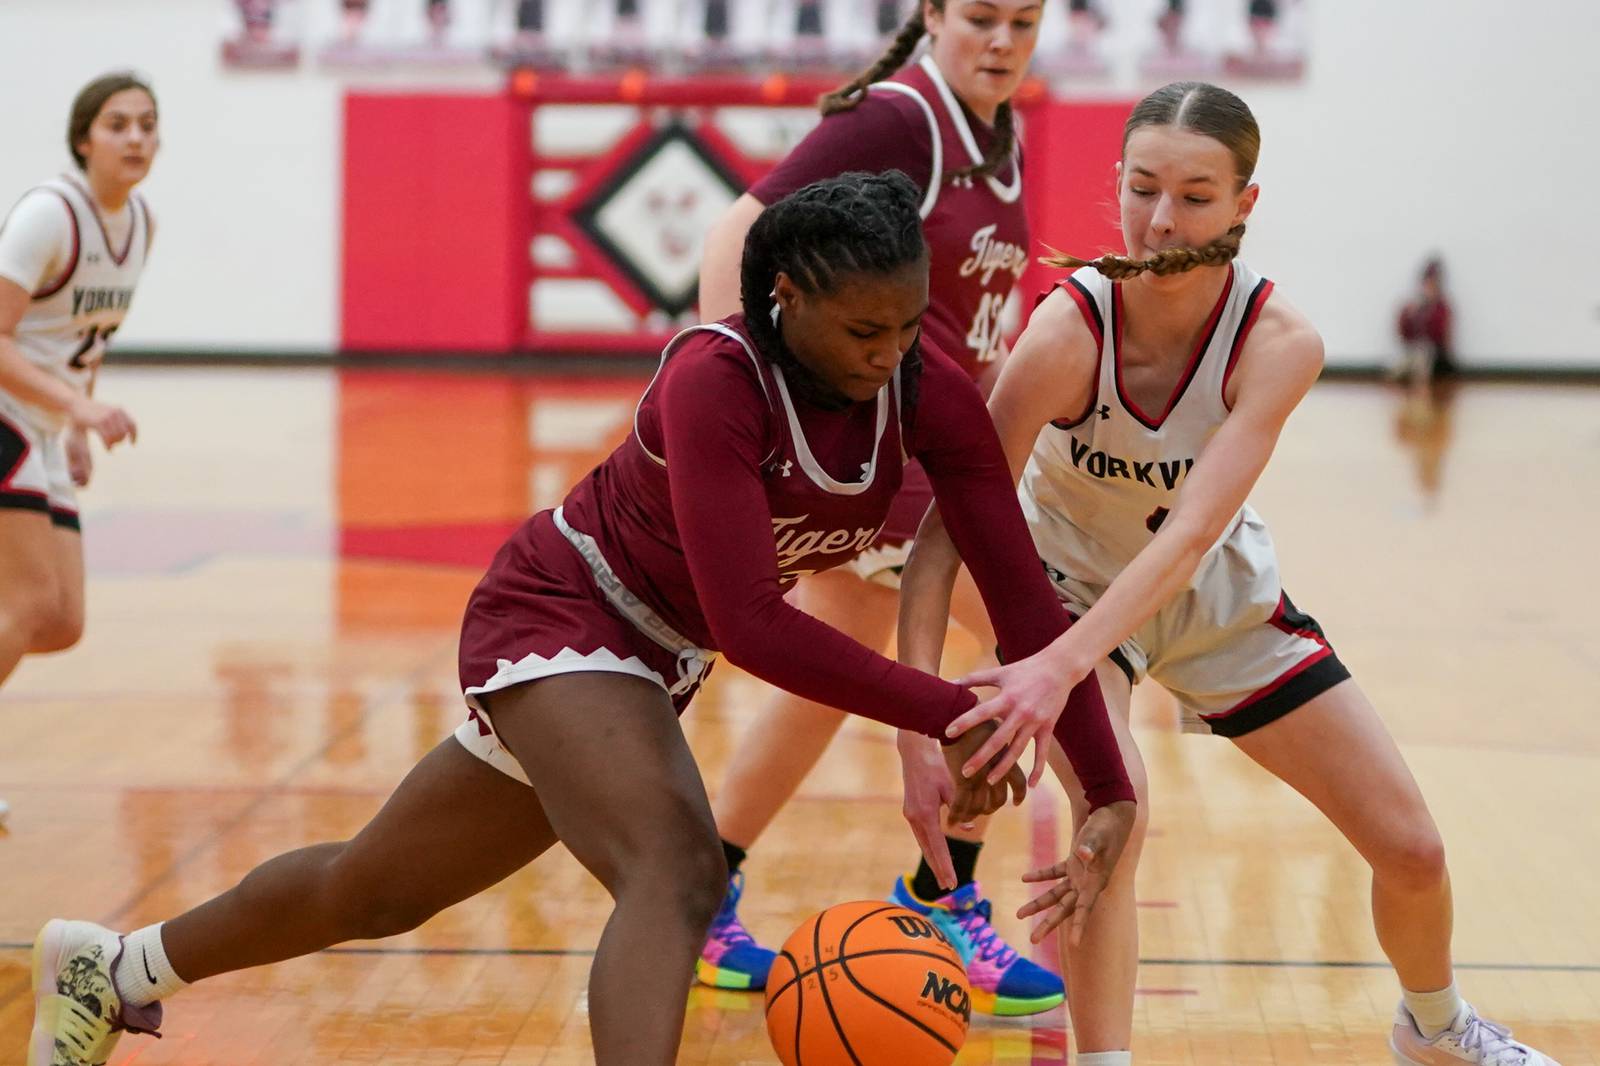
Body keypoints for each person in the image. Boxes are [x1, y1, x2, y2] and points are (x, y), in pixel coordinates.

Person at [27, 172, 1137, 1066]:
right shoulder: (715, 378)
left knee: (372, 887)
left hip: (656, 658)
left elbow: (1023, 599)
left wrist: (1107, 789)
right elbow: (753, 624)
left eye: (906, 324)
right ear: (785, 295)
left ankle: (116, 971)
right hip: (563, 610)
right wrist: (951, 713)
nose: (889, 352)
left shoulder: (923, 386)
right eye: (862, 330)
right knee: (680, 868)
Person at [898, 81, 1559, 1066]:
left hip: (1209, 592)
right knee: (1111, 817)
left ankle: (1433, 1024)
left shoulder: (1281, 344)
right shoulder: (1068, 332)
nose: (1162, 220)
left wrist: (1055, 672)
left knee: (1412, 847)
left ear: (1246, 202)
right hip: (1067, 589)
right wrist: (917, 716)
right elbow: (948, 525)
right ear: (1117, 185)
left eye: (1196, 196)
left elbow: (1189, 537)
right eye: (1142, 188)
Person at [690, 0, 1064, 1014]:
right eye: (980, 16)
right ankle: (943, 897)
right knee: (1034, 653)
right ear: (932, 14)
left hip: (937, 446)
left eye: (1023, 21)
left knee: (823, 677)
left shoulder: (998, 134)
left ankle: (699, 888)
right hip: (883, 448)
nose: (1002, 41)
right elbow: (739, 230)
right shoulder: (901, 117)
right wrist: (739, 386)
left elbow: (976, 326)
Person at [0, 72, 154, 827]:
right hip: (6, 410)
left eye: (147, 124)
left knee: (62, 621)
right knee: (28, 602)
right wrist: (78, 405)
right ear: (83, 138)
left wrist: (75, 423)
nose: (136, 137)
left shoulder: (139, 224)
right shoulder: (48, 215)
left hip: (44, 420)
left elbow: (83, 335)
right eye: (117, 123)